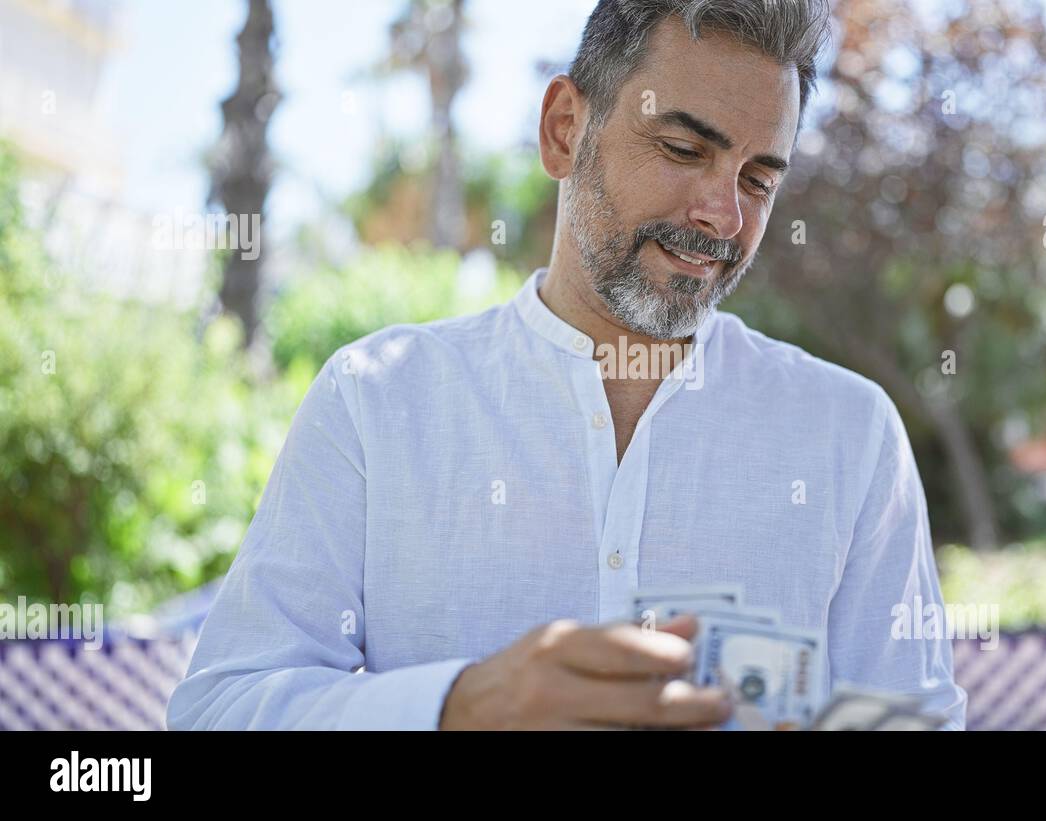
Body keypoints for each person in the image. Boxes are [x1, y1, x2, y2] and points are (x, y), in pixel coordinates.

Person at [167, 0, 967, 731]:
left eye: (758, 179)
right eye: (685, 148)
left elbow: (914, 718)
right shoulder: (376, 400)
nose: (723, 215)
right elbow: (220, 710)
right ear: (563, 130)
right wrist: (460, 707)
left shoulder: (851, 437)